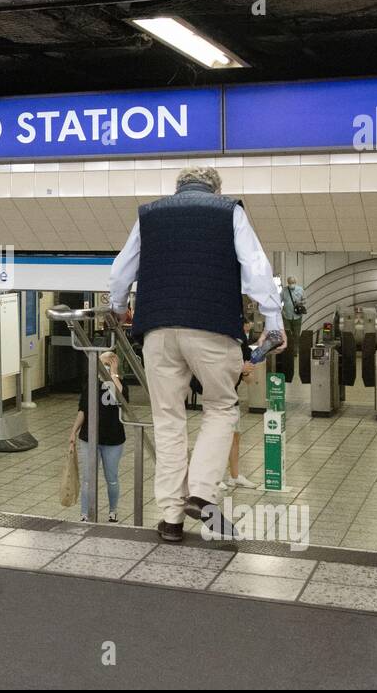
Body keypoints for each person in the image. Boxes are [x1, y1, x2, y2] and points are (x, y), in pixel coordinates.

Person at [108, 166, 285, 543]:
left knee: (168, 419)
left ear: (178, 189)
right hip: (211, 325)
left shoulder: (150, 214)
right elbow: (256, 269)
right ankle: (202, 493)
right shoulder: (228, 211)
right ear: (216, 188)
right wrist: (273, 319)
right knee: (220, 406)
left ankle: (171, 518)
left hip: (157, 329)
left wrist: (118, 306)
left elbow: (122, 270)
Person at [68, 351, 126, 522]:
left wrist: (113, 373)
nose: (104, 369)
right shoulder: (90, 384)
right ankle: (85, 513)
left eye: (107, 364)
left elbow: (120, 395)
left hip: (113, 438)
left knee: (112, 477)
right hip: (89, 437)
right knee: (88, 477)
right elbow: (83, 410)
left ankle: (113, 510)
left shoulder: (121, 384)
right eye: (102, 365)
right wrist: (73, 432)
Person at [220, 315, 260, 491]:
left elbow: (250, 379)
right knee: (219, 436)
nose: (246, 331)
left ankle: (234, 476)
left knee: (235, 436)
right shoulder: (219, 341)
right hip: (217, 395)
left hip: (232, 396)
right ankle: (214, 477)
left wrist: (245, 372)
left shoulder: (241, 344)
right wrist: (240, 369)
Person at [281, 276, 306, 349]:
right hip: (286, 316)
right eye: (290, 283)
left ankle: (295, 351)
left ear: (295, 282)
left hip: (297, 316)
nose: (291, 284)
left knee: (296, 334)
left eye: (292, 283)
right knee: (287, 334)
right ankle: (288, 351)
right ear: (287, 283)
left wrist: (300, 302)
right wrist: (282, 311)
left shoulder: (300, 290)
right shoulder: (284, 290)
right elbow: (279, 301)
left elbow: (305, 300)